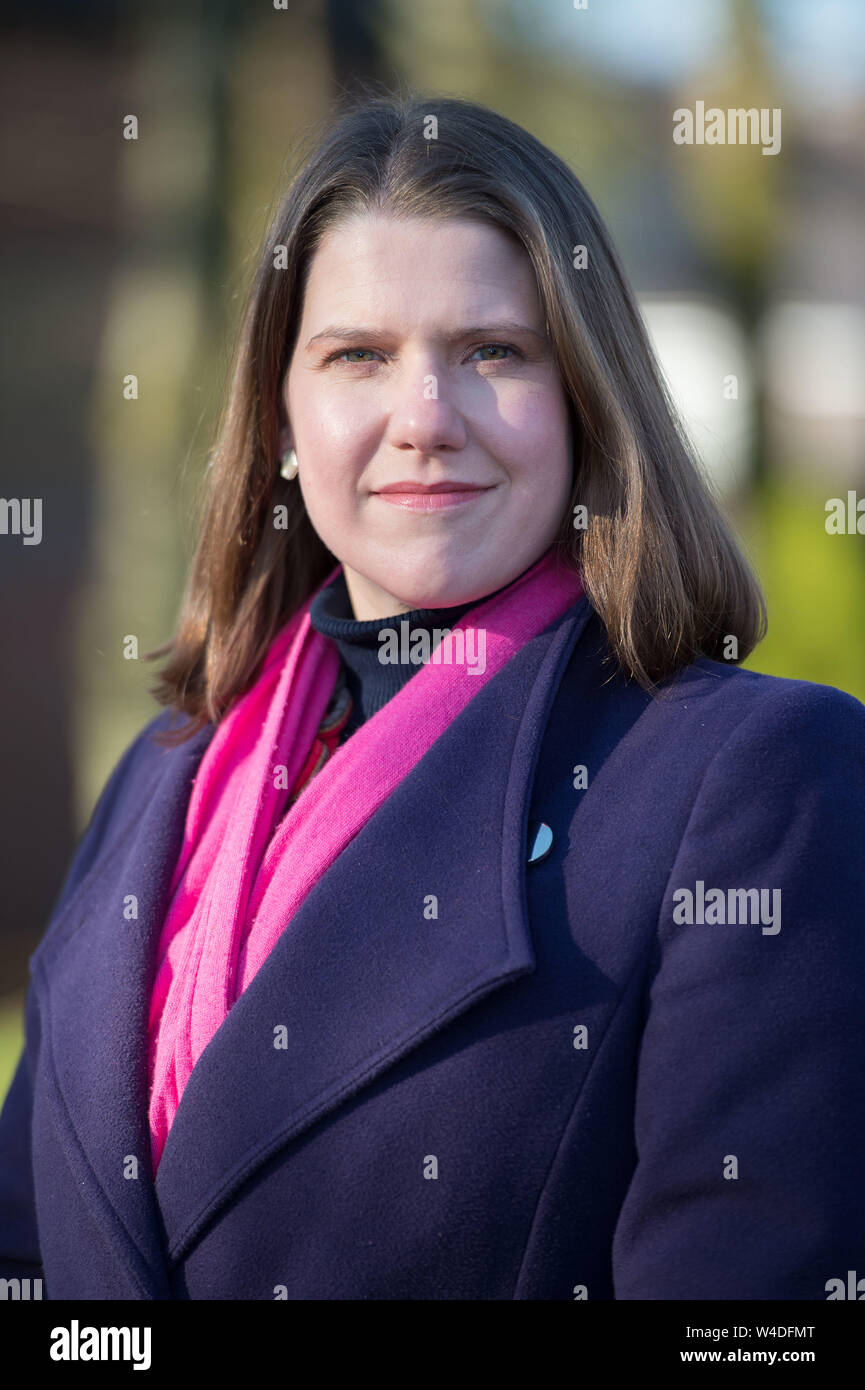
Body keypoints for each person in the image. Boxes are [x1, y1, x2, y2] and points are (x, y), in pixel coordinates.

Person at [1, 93, 863, 1302]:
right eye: (357, 355)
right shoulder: (165, 774)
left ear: (584, 398)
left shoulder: (753, 777)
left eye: (492, 353)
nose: (424, 420)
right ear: (282, 418)